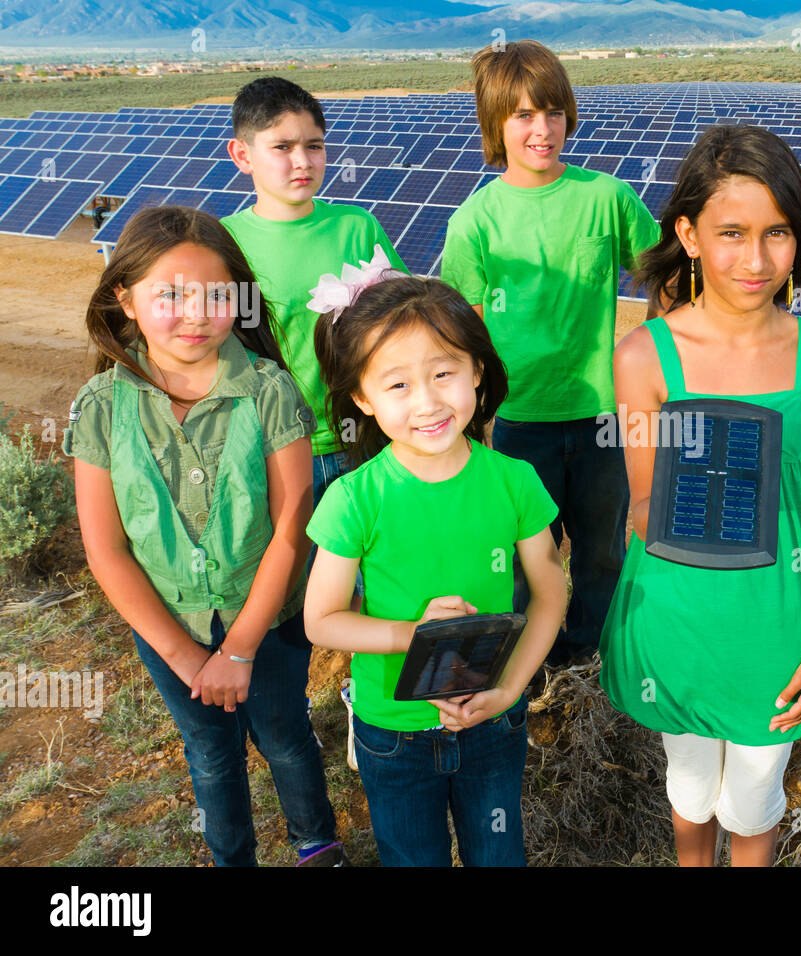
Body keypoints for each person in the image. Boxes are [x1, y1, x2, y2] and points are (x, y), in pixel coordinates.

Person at [598, 124, 801, 867]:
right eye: (732, 233)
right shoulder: (644, 355)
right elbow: (643, 504)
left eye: (777, 234)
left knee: (753, 795)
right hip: (676, 622)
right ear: (688, 233)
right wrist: (702, 489)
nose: (756, 259)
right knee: (688, 783)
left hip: (776, 625)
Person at [63, 205, 344, 867]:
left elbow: (289, 531)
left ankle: (316, 843)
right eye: (170, 294)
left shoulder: (271, 392)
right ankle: (231, 857)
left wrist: (241, 647)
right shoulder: (101, 408)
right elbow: (106, 550)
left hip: (266, 619)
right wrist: (188, 659)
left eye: (217, 294)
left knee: (283, 734)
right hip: (169, 628)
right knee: (211, 755)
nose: (196, 312)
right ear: (124, 299)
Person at [301, 273, 567, 867]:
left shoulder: (513, 481)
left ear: (477, 369)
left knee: (499, 855)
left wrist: (508, 690)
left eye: (443, 373)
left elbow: (550, 592)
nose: (426, 402)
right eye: (398, 384)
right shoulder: (354, 498)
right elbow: (321, 620)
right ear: (364, 399)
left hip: (491, 722)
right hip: (393, 731)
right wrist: (410, 634)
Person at [440, 39, 661, 666]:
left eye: (554, 111)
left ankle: (593, 670)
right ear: (496, 124)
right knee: (520, 557)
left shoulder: (607, 198)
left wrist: (647, 350)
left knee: (601, 553)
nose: (543, 129)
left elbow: (663, 275)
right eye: (524, 115)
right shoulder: (475, 221)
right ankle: (521, 672)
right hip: (517, 424)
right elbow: (464, 329)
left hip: (599, 418)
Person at [221, 75, 408, 509]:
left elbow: (403, 326)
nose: (302, 161)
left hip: (363, 440)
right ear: (242, 155)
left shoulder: (357, 227)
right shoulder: (222, 244)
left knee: (369, 571)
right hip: (272, 447)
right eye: (282, 147)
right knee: (297, 569)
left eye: (315, 145)